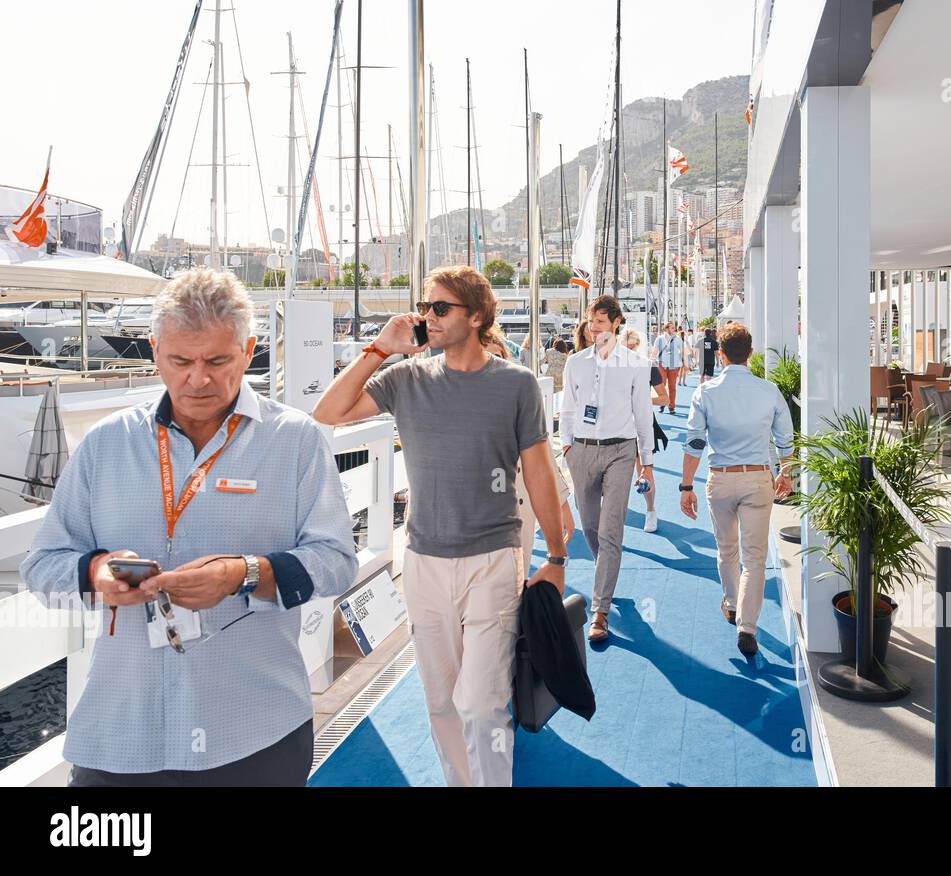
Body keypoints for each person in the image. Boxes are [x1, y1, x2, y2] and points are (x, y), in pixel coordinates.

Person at [22, 268, 357, 786]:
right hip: (121, 732)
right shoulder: (106, 443)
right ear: (155, 351)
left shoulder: (296, 441)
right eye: (180, 361)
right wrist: (97, 573)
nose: (197, 379)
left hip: (253, 727)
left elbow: (336, 562)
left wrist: (243, 575)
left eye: (217, 361)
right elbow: (43, 566)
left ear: (248, 351)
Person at [314, 265, 569, 787]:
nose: (427, 316)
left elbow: (539, 472)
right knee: (442, 702)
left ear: (475, 316)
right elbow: (329, 411)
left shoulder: (516, 385)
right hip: (424, 562)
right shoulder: (405, 379)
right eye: (425, 306)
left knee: (481, 703)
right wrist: (380, 348)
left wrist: (557, 557)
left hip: (493, 558)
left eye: (440, 308)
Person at [678, 321, 794, 656]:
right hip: (758, 479)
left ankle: (731, 603)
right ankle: (747, 626)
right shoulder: (768, 391)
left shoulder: (706, 392)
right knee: (755, 557)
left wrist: (687, 486)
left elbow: (694, 443)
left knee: (726, 550)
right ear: (751, 354)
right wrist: (785, 473)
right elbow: (785, 441)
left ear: (722, 354)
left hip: (721, 479)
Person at [559, 295, 655, 641]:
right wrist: (567, 448)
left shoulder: (635, 363)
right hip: (581, 452)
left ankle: (600, 611)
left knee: (611, 530)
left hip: (620, 452)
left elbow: (643, 414)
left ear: (616, 322)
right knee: (591, 531)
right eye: (591, 320)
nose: (594, 326)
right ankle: (607, 572)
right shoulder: (576, 363)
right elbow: (568, 410)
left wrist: (647, 462)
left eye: (601, 320)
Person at [486, 331, 577, 551]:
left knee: (516, 576)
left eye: (497, 358)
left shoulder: (520, 401)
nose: (491, 366)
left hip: (518, 507)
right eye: (484, 358)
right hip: (473, 516)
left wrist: (562, 504)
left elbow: (543, 456)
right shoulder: (453, 405)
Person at [623, 328, 667, 533]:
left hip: (642, 425)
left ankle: (650, 511)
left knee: (645, 471)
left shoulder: (648, 366)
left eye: (632, 345)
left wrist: (641, 401)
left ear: (637, 345)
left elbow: (664, 398)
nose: (629, 349)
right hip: (618, 426)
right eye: (625, 346)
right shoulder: (613, 367)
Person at [653, 320, 685, 413]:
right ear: (666, 328)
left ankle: (671, 406)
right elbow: (655, 352)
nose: (674, 329)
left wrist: (684, 362)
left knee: (672, 387)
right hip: (662, 365)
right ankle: (662, 404)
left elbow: (683, 351)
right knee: (661, 386)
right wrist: (651, 361)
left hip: (674, 367)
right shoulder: (659, 339)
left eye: (674, 327)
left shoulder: (677, 339)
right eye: (671, 327)